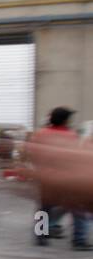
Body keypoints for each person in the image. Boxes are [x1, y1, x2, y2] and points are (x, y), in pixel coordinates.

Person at [29, 107, 89, 250]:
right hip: (65, 179)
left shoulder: (40, 134)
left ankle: (41, 237)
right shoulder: (71, 136)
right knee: (78, 209)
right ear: (65, 120)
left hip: (46, 178)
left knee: (44, 209)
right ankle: (79, 240)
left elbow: (32, 154)